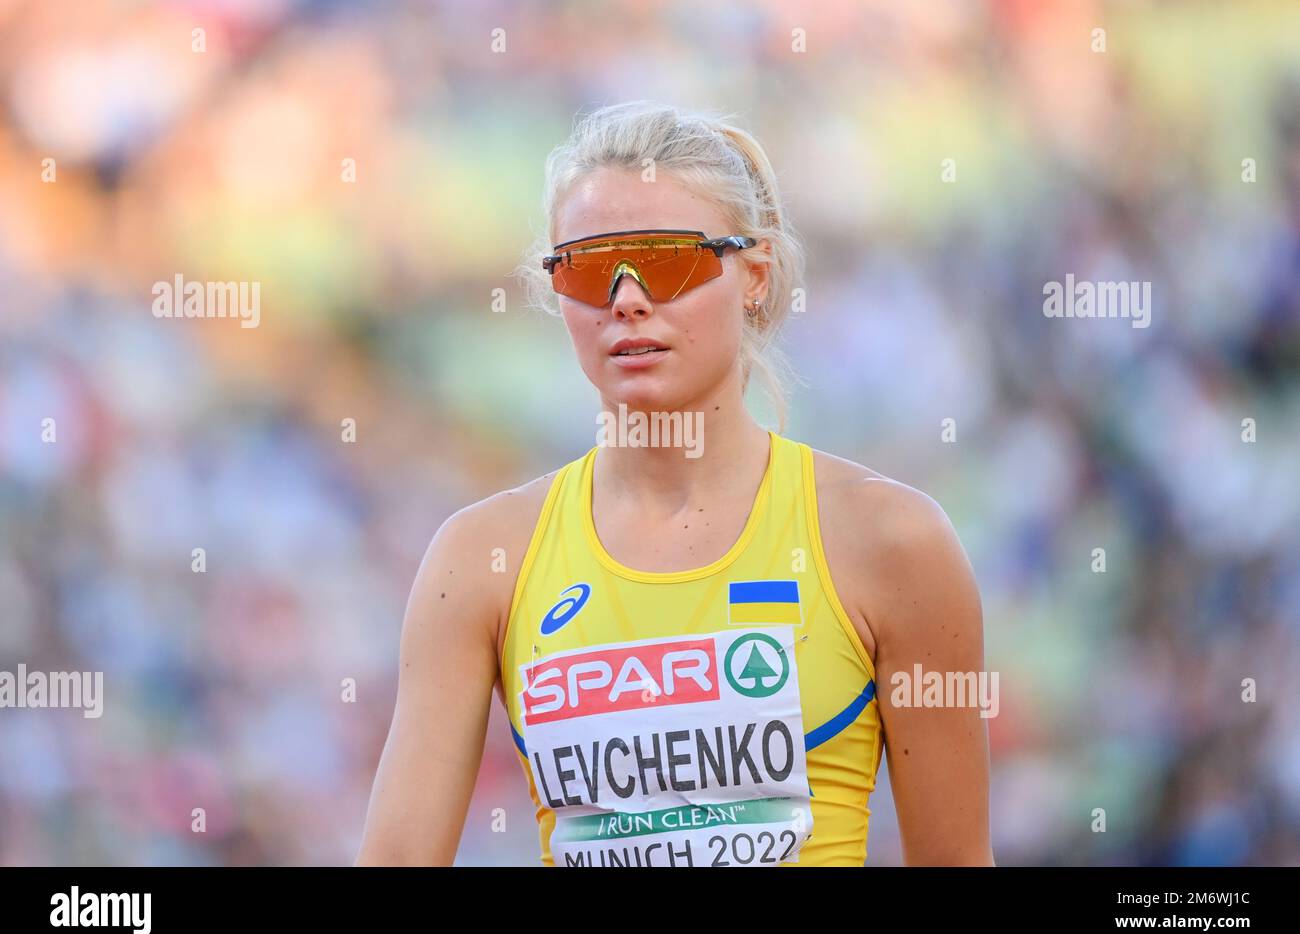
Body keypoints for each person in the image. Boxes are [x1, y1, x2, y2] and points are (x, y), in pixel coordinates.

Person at [356, 101, 992, 867]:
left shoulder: (890, 541)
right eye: (589, 268)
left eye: (667, 262)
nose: (626, 298)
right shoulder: (480, 558)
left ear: (754, 275)